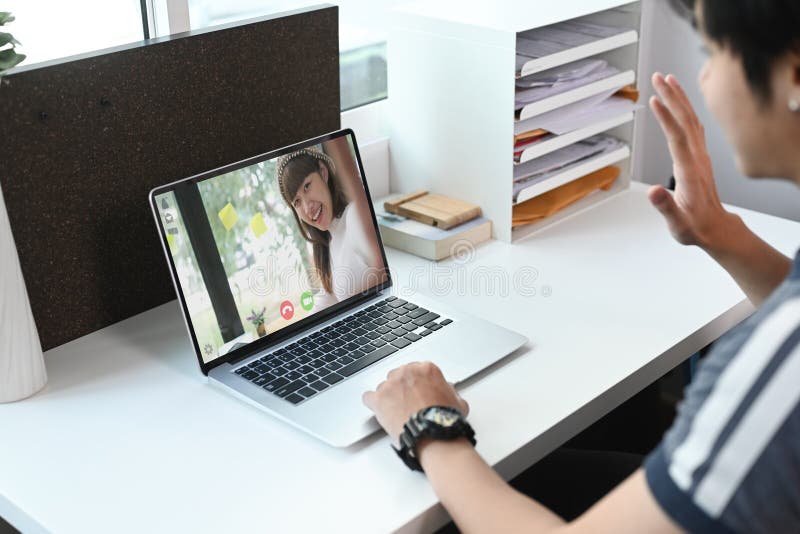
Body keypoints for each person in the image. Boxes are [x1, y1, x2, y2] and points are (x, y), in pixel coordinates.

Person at [363, 0, 800, 531]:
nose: (704, 80)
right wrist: (720, 234)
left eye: (712, 54)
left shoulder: (779, 377)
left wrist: (429, 427)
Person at [276, 142, 385, 304]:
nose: (307, 207)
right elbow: (328, 297)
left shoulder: (354, 218)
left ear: (323, 172)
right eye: (297, 201)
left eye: (307, 186)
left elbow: (383, 273)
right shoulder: (327, 246)